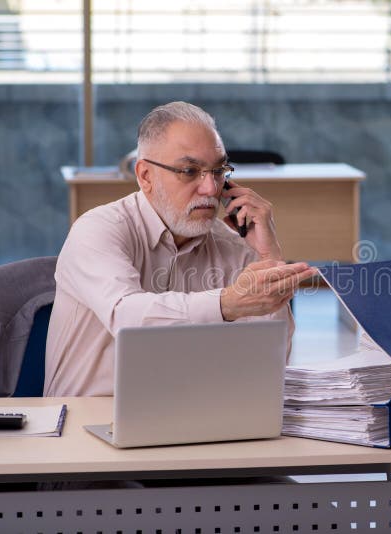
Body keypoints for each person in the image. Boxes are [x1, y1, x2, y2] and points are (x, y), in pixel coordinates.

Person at [44, 101, 316, 396]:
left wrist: (268, 257)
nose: (211, 188)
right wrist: (226, 304)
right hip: (84, 417)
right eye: (189, 171)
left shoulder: (232, 243)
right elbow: (125, 316)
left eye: (218, 170)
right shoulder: (98, 229)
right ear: (145, 176)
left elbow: (268, 363)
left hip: (186, 413)